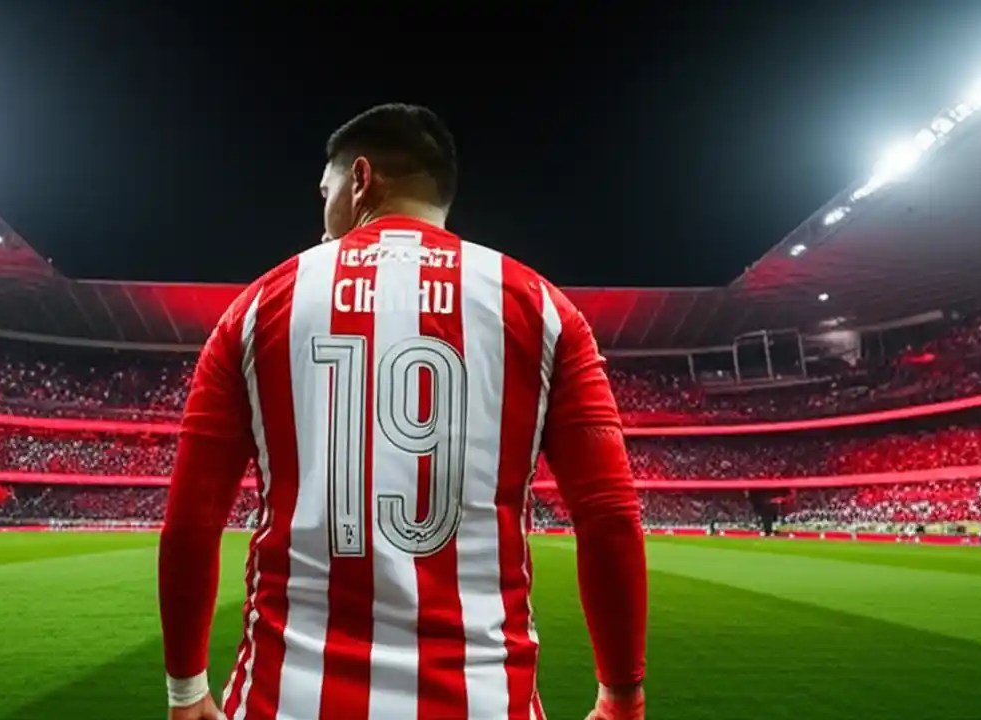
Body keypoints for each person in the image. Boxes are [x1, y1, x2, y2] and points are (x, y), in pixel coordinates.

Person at [159, 103, 648, 720]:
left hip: (287, 698)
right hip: (482, 700)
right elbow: (610, 518)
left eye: (326, 190)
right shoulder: (543, 309)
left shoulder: (255, 308)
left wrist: (185, 690)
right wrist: (622, 694)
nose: (323, 214)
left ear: (361, 179)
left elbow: (191, 521)